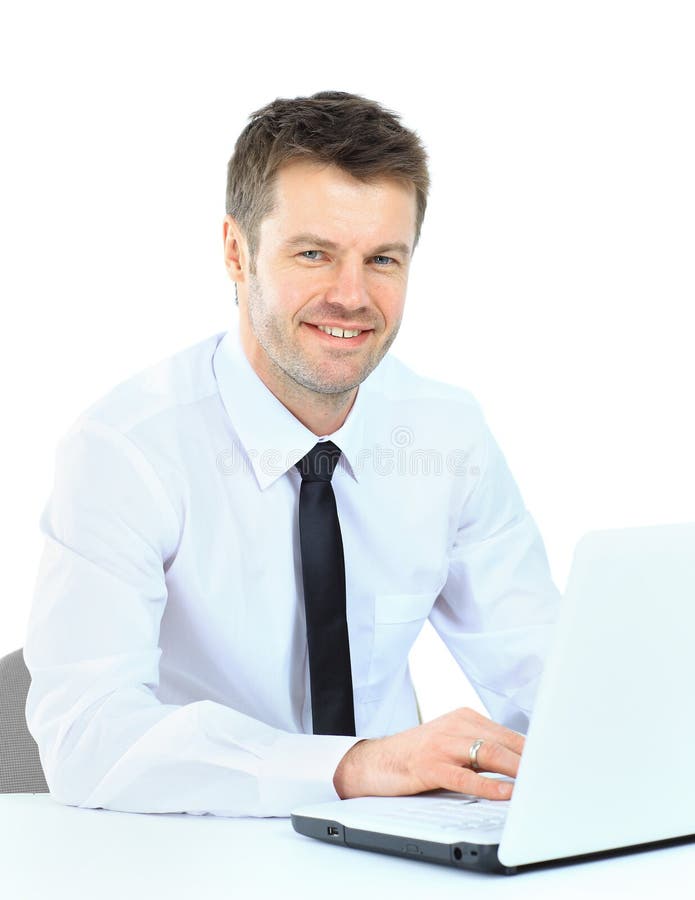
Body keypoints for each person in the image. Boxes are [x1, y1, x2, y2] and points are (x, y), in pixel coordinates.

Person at [24, 90, 561, 818]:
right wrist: (351, 766)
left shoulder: (447, 435)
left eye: (383, 259)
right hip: (187, 847)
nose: (352, 295)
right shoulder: (125, 451)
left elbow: (547, 674)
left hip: (393, 849)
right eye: (313, 254)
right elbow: (87, 737)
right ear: (236, 254)